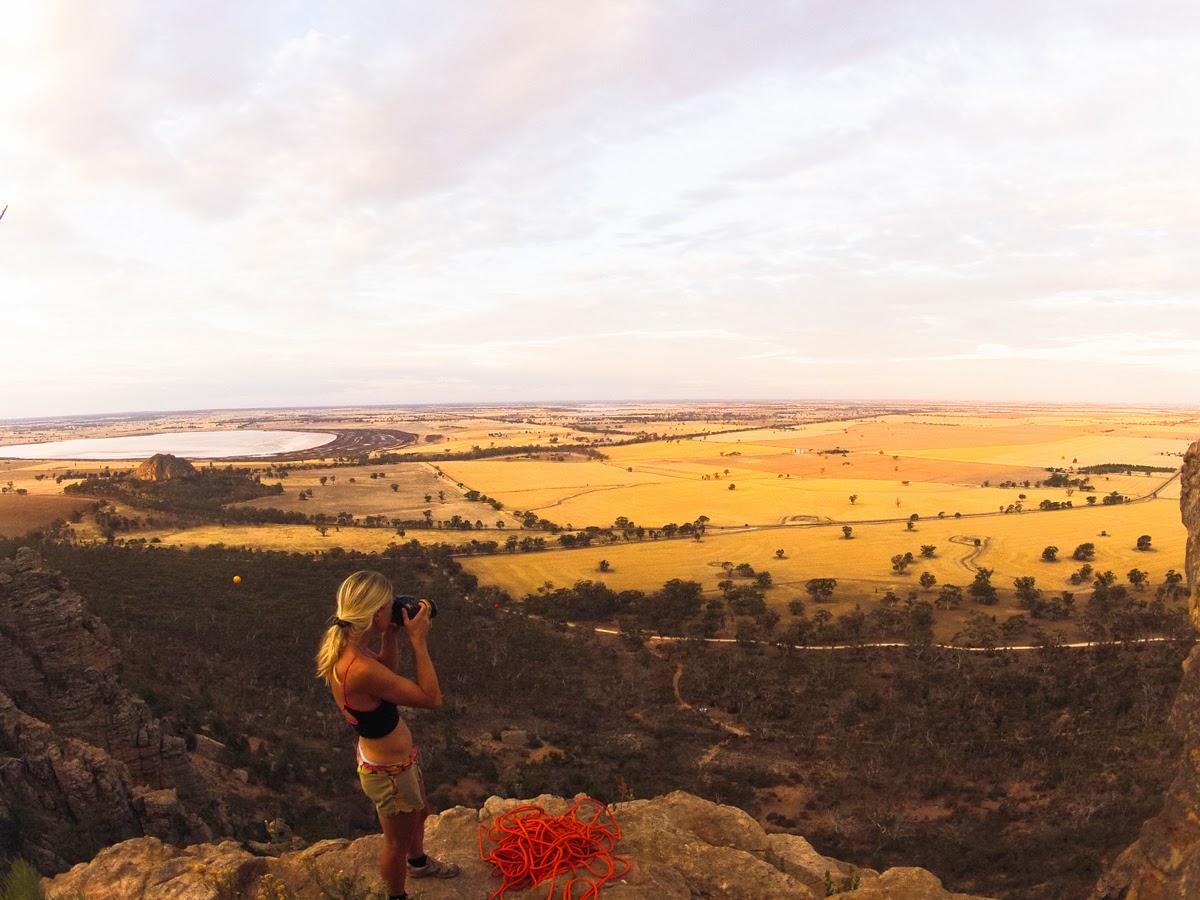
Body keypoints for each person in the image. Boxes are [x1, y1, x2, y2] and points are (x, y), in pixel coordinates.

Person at [315, 570, 459, 900]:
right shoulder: (358, 667)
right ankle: (397, 896)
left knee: (420, 813)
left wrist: (390, 637)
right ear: (375, 613)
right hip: (390, 772)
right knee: (396, 843)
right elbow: (431, 699)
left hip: (394, 762)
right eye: (389, 604)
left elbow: (386, 674)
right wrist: (419, 642)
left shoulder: (351, 648)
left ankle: (419, 864)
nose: (395, 607)